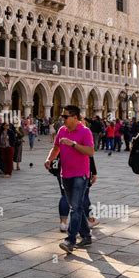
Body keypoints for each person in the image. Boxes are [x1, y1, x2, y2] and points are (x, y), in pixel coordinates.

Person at [44, 105, 94, 253]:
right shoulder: (62, 130)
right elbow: (56, 148)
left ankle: (70, 240)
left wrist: (73, 144)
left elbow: (90, 152)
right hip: (64, 174)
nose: (63, 119)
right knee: (77, 207)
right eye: (63, 116)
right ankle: (86, 236)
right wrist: (49, 159)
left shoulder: (85, 131)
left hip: (80, 175)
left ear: (74, 117)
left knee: (75, 207)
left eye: (65, 116)